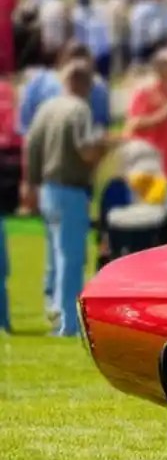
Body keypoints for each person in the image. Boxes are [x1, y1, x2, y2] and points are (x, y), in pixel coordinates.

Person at [23, 60, 107, 337]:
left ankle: (55, 311)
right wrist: (103, 149)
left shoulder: (46, 108)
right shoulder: (80, 109)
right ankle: (68, 323)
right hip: (71, 188)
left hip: (47, 188)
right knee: (71, 259)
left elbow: (31, 146)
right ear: (85, 84)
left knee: (54, 256)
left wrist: (31, 184)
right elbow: (85, 150)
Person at [126, 48, 167, 203]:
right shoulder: (145, 92)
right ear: (158, 67)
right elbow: (134, 124)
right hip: (156, 169)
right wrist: (161, 116)